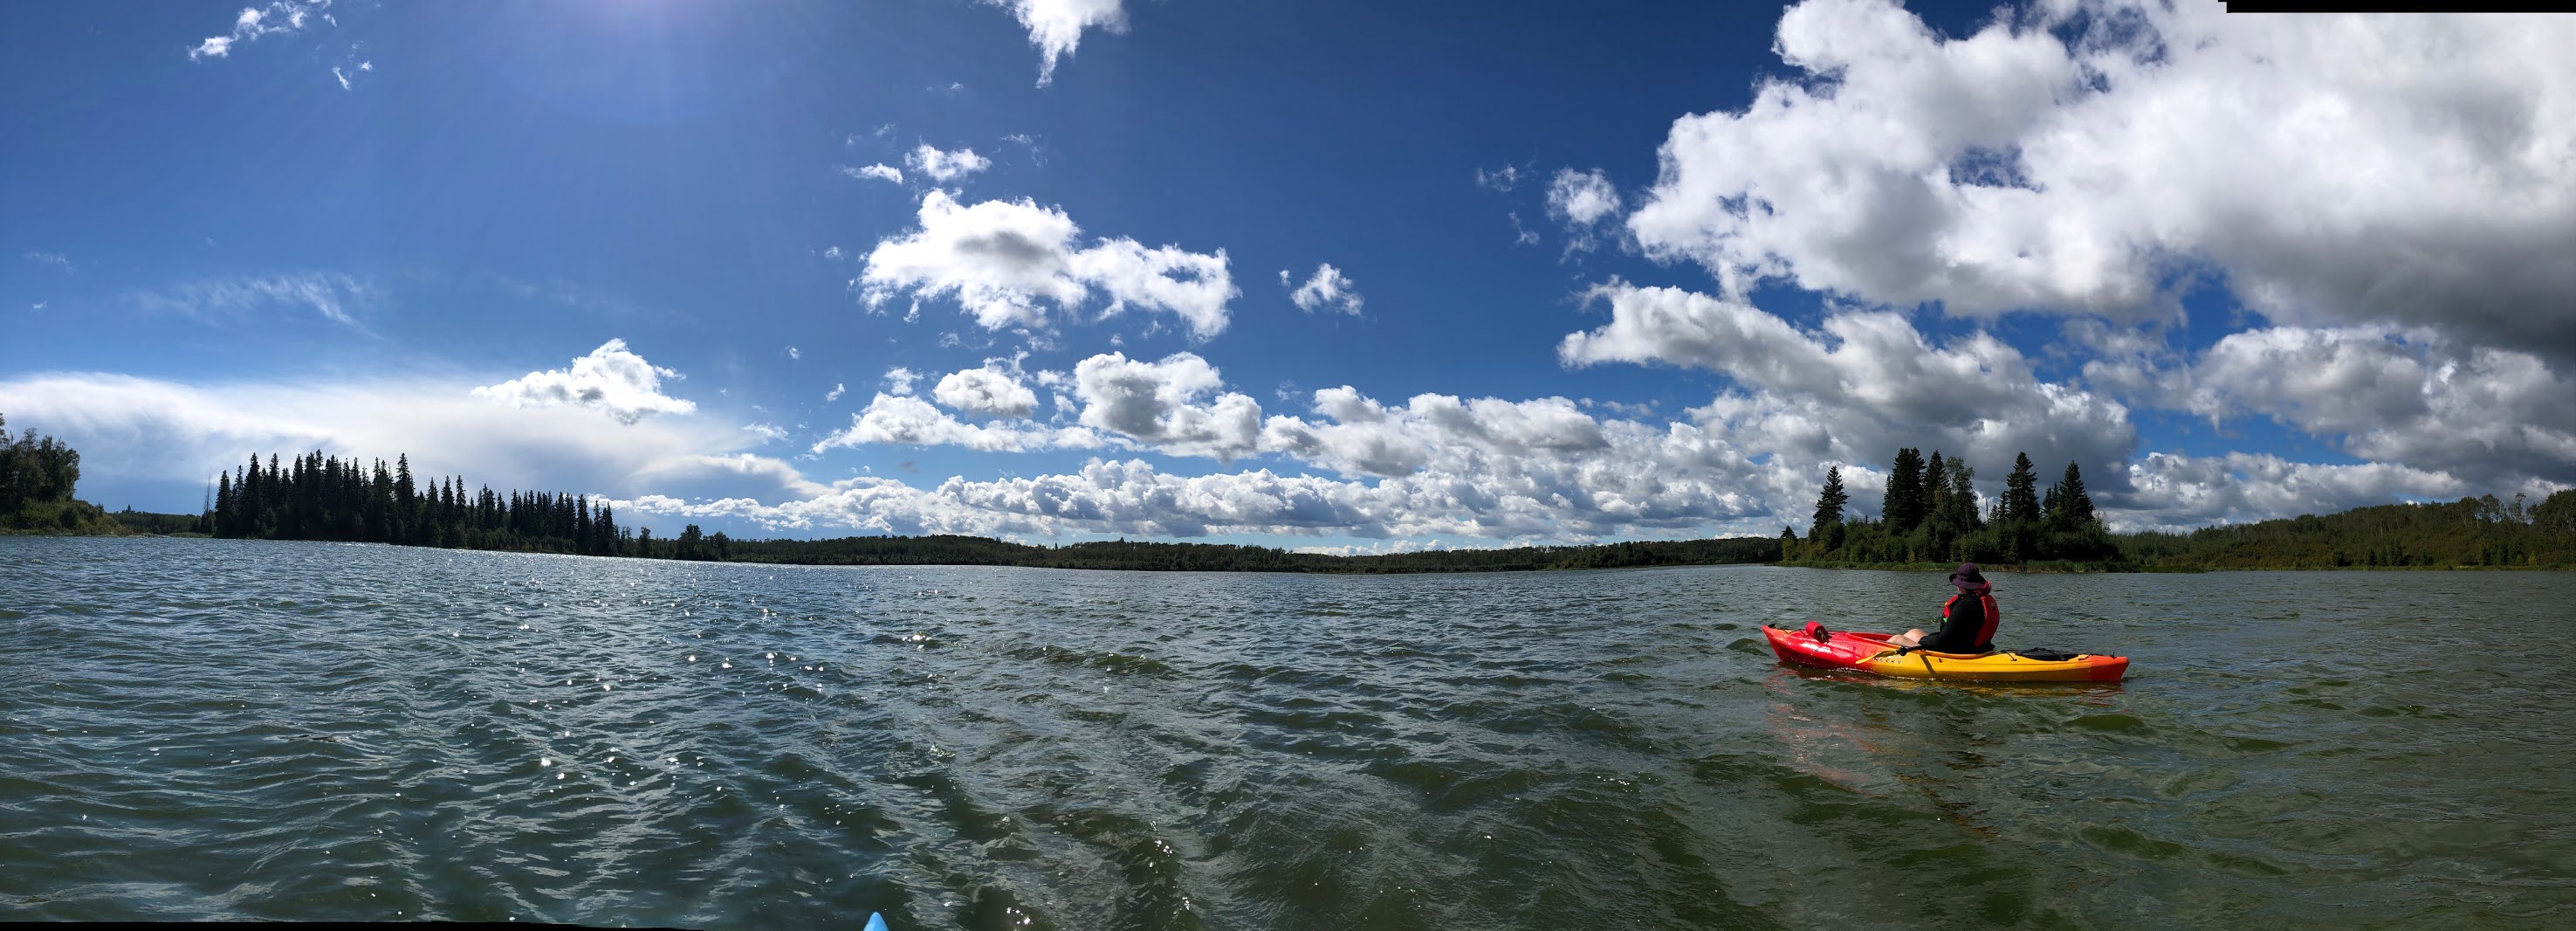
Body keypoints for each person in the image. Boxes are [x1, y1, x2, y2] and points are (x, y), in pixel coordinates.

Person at [1891, 562, 1999, 653]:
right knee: (1914, 632)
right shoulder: (1980, 601)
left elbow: (1943, 641)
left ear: (1960, 586)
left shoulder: (1965, 605)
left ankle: (1877, 662)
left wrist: (1923, 641)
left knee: (1897, 638)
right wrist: (1926, 638)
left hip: (1959, 653)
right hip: (1975, 648)